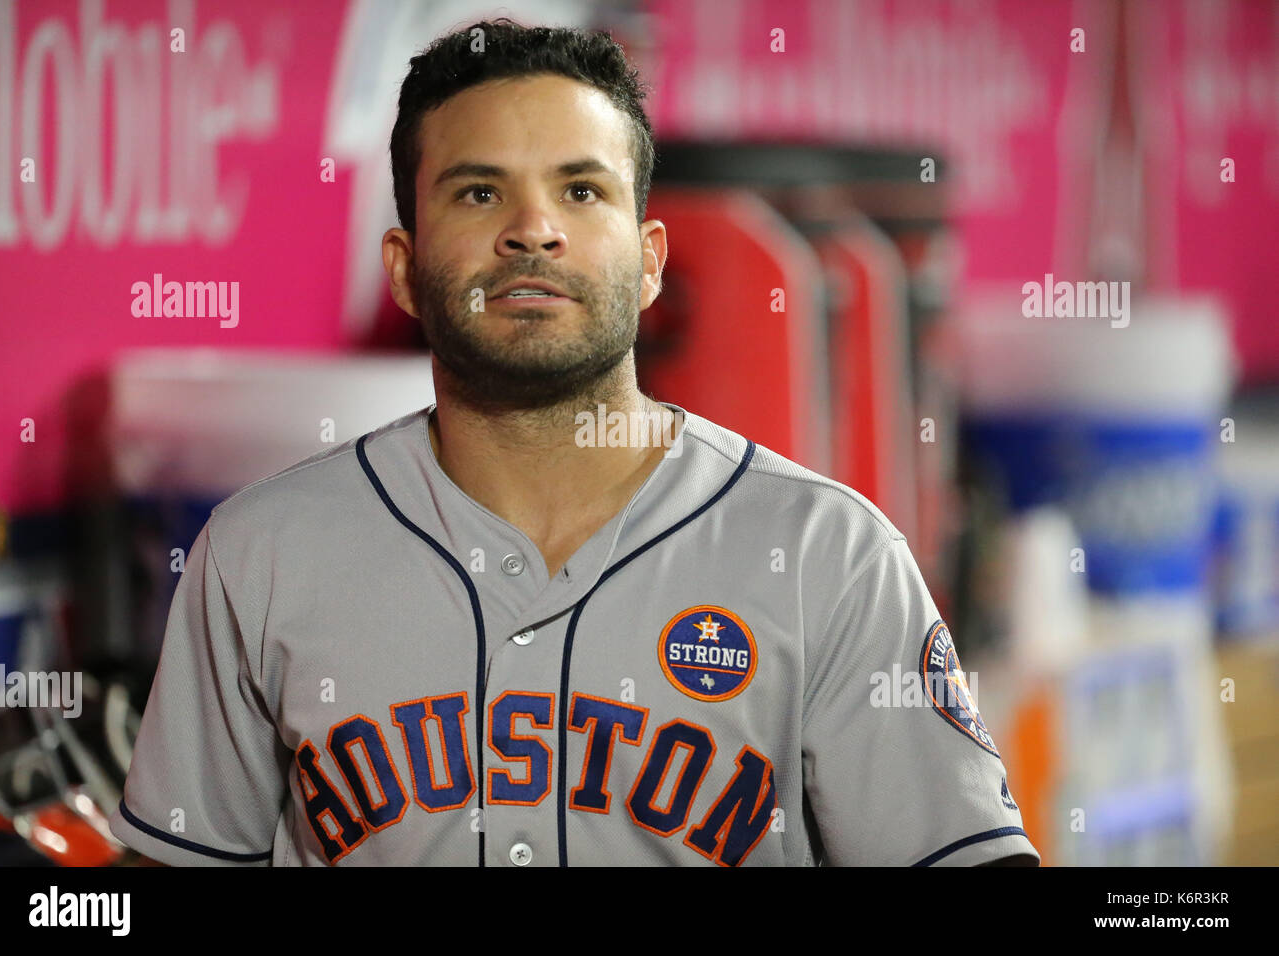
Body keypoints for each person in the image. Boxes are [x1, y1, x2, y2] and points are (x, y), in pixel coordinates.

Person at [108, 18, 1039, 867]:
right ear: (403, 268)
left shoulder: (827, 554)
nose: (533, 232)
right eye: (479, 192)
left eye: (581, 189)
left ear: (648, 263)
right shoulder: (262, 552)